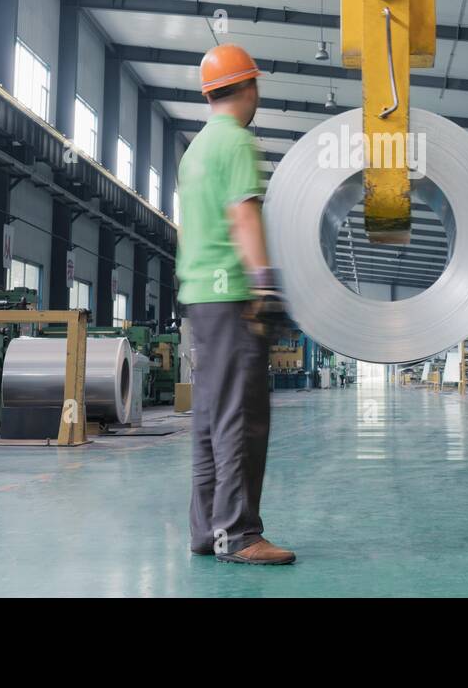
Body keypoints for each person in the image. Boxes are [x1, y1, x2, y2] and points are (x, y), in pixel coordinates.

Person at [175, 44, 295, 566]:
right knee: (241, 418)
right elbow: (243, 216)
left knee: (209, 419)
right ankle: (241, 534)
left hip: (200, 297)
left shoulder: (194, 150)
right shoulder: (237, 144)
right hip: (231, 298)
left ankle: (208, 532)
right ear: (250, 87)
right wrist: (265, 285)